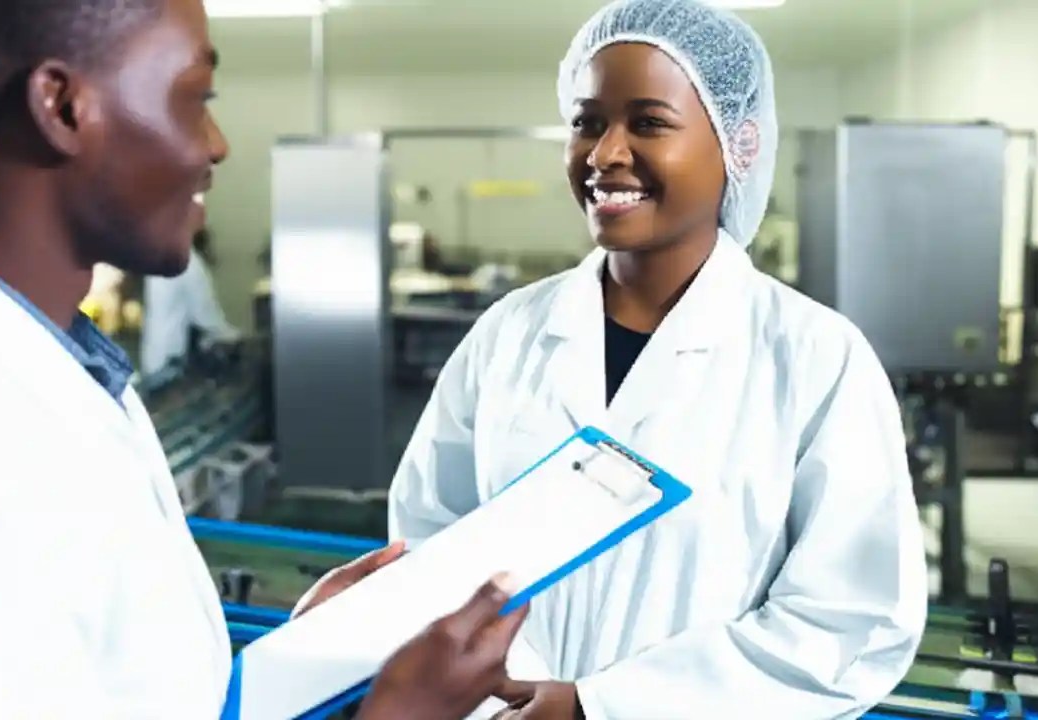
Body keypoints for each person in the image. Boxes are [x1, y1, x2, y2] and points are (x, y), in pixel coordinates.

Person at [0, 0, 527, 717]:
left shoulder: (38, 366)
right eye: (196, 97)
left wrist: (293, 663)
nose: (217, 144)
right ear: (61, 108)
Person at [388, 0, 929, 718]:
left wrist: (601, 707)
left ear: (737, 144)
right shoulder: (507, 336)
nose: (606, 154)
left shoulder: (814, 360)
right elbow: (430, 540)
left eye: (648, 122)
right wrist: (506, 696)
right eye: (586, 122)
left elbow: (851, 620)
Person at [140, 226, 242, 378]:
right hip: (171, 362)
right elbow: (207, 319)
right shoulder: (189, 263)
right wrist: (236, 336)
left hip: (153, 358)